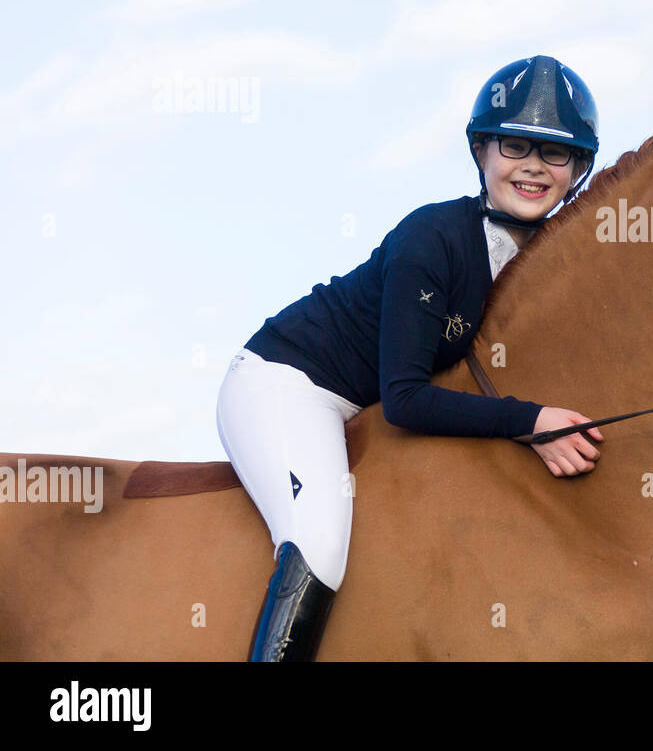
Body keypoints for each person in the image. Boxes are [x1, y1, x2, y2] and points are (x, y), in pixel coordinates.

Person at [215, 55, 605, 661]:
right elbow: (405, 398)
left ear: (578, 168)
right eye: (515, 145)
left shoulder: (548, 263)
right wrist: (529, 422)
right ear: (482, 152)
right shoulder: (434, 236)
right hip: (287, 384)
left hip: (360, 406)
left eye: (554, 153)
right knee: (320, 535)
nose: (532, 165)